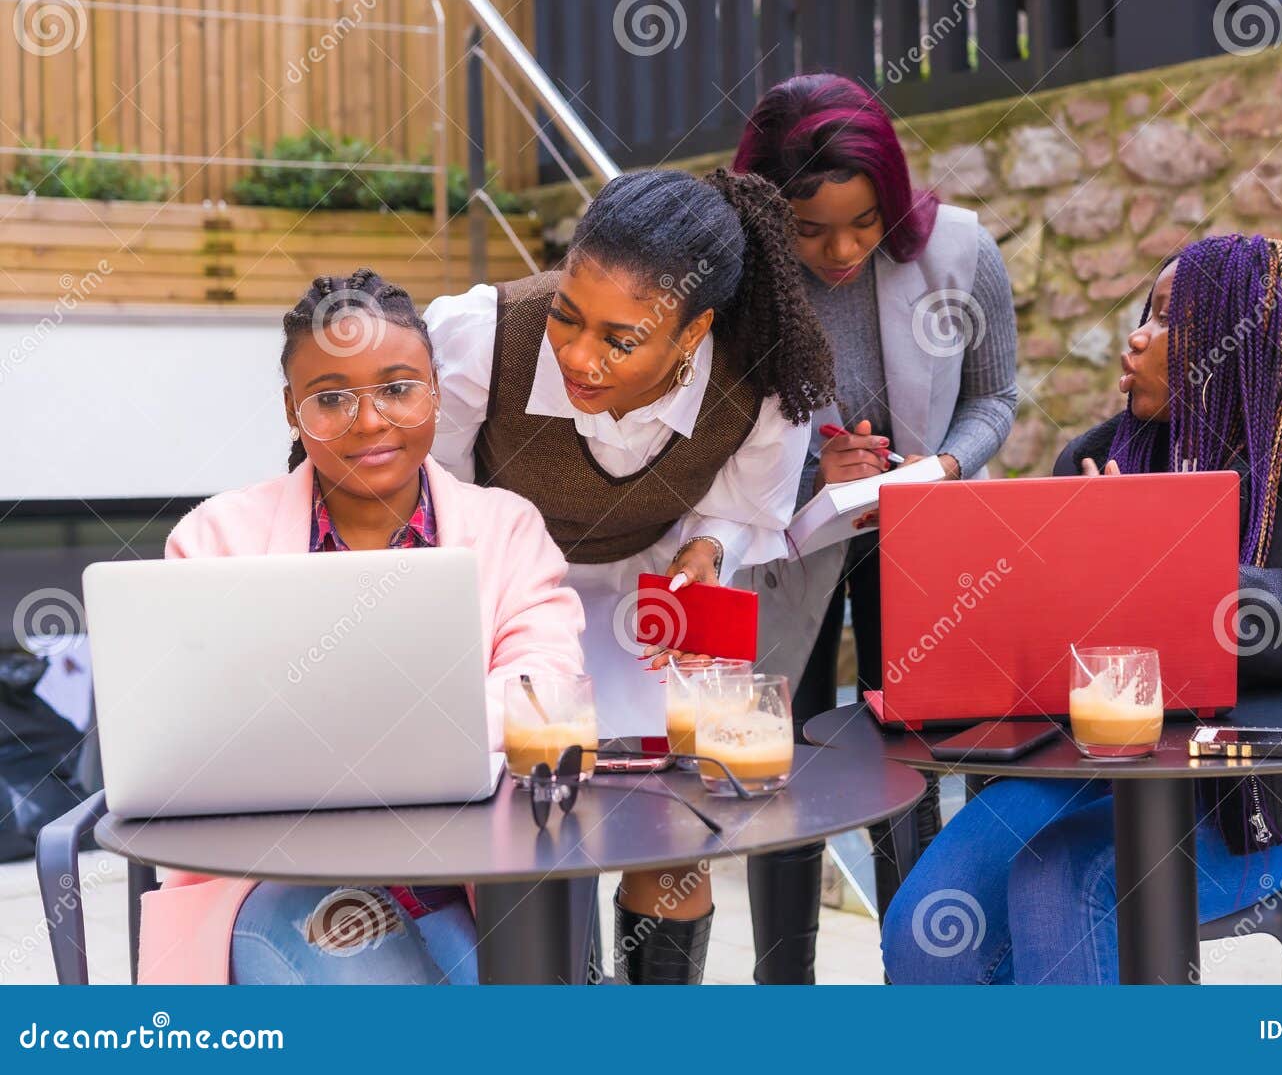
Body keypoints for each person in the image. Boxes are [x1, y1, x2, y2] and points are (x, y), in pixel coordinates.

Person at [881, 233, 1282, 984]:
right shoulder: (1096, 454)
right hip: (1085, 767)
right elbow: (1041, 631)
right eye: (1144, 314)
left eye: (1166, 320)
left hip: (1247, 793)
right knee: (925, 924)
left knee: (1063, 883)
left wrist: (1161, 562)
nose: (1136, 336)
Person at [425, 168, 836, 984]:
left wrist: (708, 551)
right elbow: (437, 503)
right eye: (567, 318)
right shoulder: (481, 337)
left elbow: (739, 510)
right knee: (540, 828)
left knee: (671, 838)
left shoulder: (762, 381)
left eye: (620, 339)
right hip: (512, 605)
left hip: (647, 609)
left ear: (693, 331)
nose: (579, 355)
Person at [137, 269, 585, 985]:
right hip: (275, 883)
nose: (370, 420)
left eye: (398, 388)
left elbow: (546, 684)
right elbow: (187, 742)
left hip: (458, 883)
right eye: (332, 397)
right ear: (293, 409)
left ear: (436, 390)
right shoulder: (214, 540)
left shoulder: (507, 530)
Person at [729, 73, 1019, 982]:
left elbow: (995, 395)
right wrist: (819, 472)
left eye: (863, 223)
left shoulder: (961, 252)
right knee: (776, 763)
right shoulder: (736, 272)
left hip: (917, 530)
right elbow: (714, 426)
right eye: (810, 230)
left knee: (910, 759)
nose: (842, 249)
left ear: (892, 198)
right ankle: (786, 993)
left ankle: (921, 985)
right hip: (781, 539)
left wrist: (945, 466)